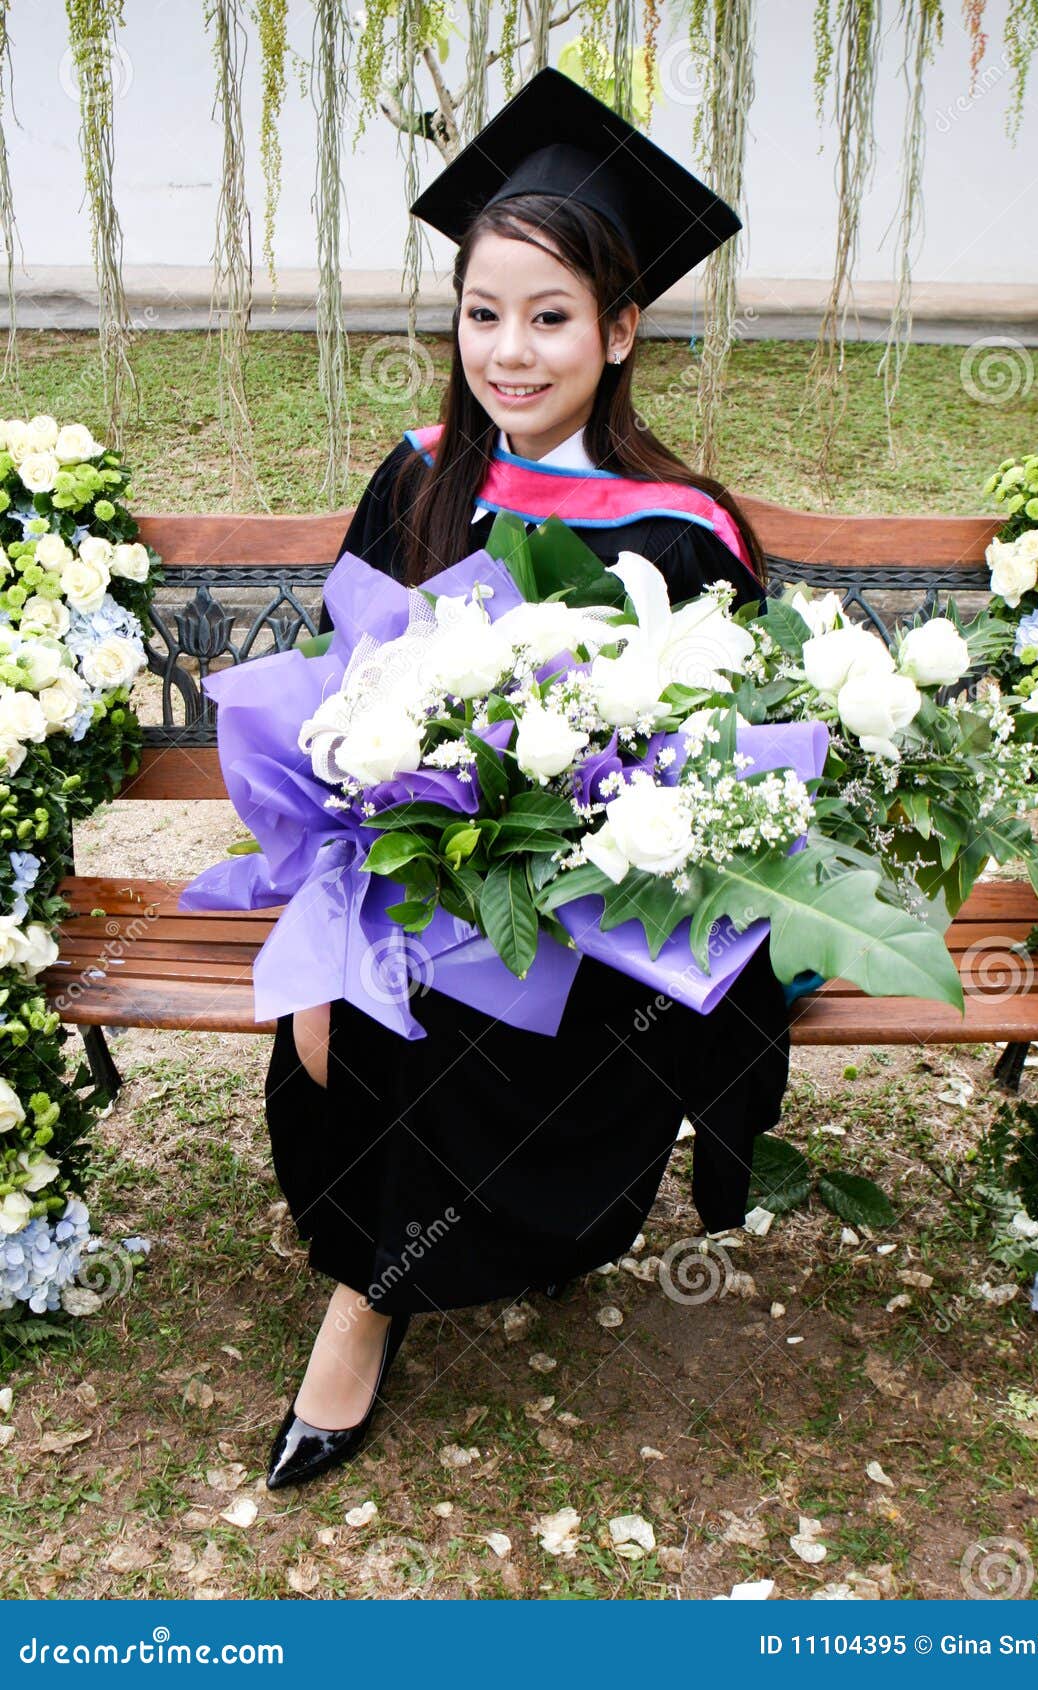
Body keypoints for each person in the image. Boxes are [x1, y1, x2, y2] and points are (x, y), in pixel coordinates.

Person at [263, 66, 790, 1491]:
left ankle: (364, 1301)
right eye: (482, 311)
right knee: (381, 984)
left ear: (620, 329)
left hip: (590, 932)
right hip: (404, 898)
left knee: (481, 1004)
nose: (510, 350)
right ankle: (387, 1267)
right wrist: (321, 929)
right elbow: (321, 710)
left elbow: (716, 787)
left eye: (550, 317)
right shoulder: (420, 478)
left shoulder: (678, 533)